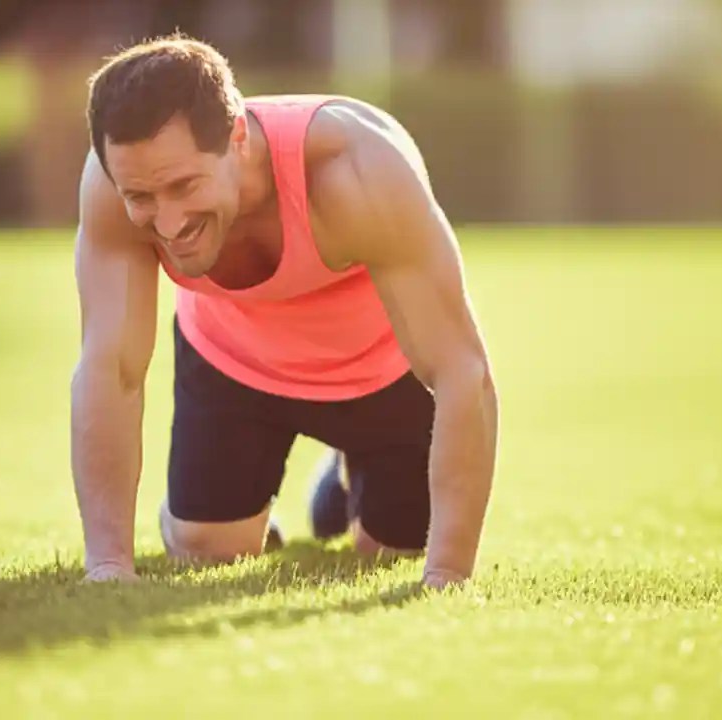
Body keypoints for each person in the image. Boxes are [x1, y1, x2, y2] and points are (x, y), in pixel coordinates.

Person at [71, 34, 498, 590]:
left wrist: (447, 574)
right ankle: (219, 515)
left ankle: (343, 485)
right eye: (143, 198)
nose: (169, 223)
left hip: (377, 372)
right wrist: (108, 564)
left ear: (238, 138)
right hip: (234, 361)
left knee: (389, 549)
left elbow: (462, 369)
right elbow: (112, 368)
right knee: (207, 550)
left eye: (184, 186)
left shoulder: (355, 167)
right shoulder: (112, 182)